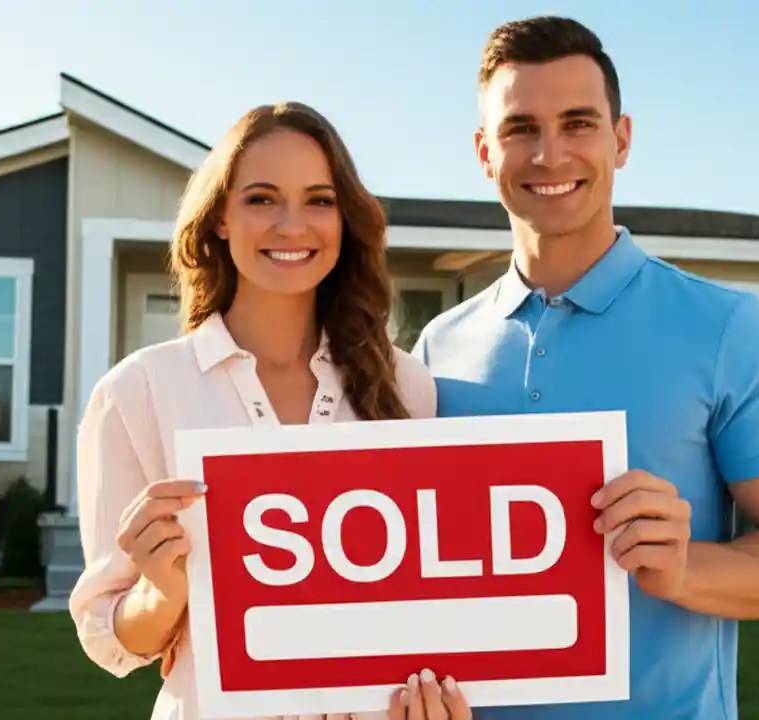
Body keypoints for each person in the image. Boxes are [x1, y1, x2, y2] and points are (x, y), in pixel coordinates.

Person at [411, 16, 759, 719]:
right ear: (483, 152)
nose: (550, 154)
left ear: (621, 139)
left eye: (578, 123)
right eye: (521, 128)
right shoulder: (436, 349)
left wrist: (685, 569)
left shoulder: (728, 330)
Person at [69, 101, 472, 720]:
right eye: (261, 199)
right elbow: (113, 641)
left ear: (345, 220)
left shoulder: (406, 385)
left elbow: (423, 607)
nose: (292, 225)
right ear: (222, 219)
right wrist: (163, 589)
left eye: (318, 199)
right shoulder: (137, 393)